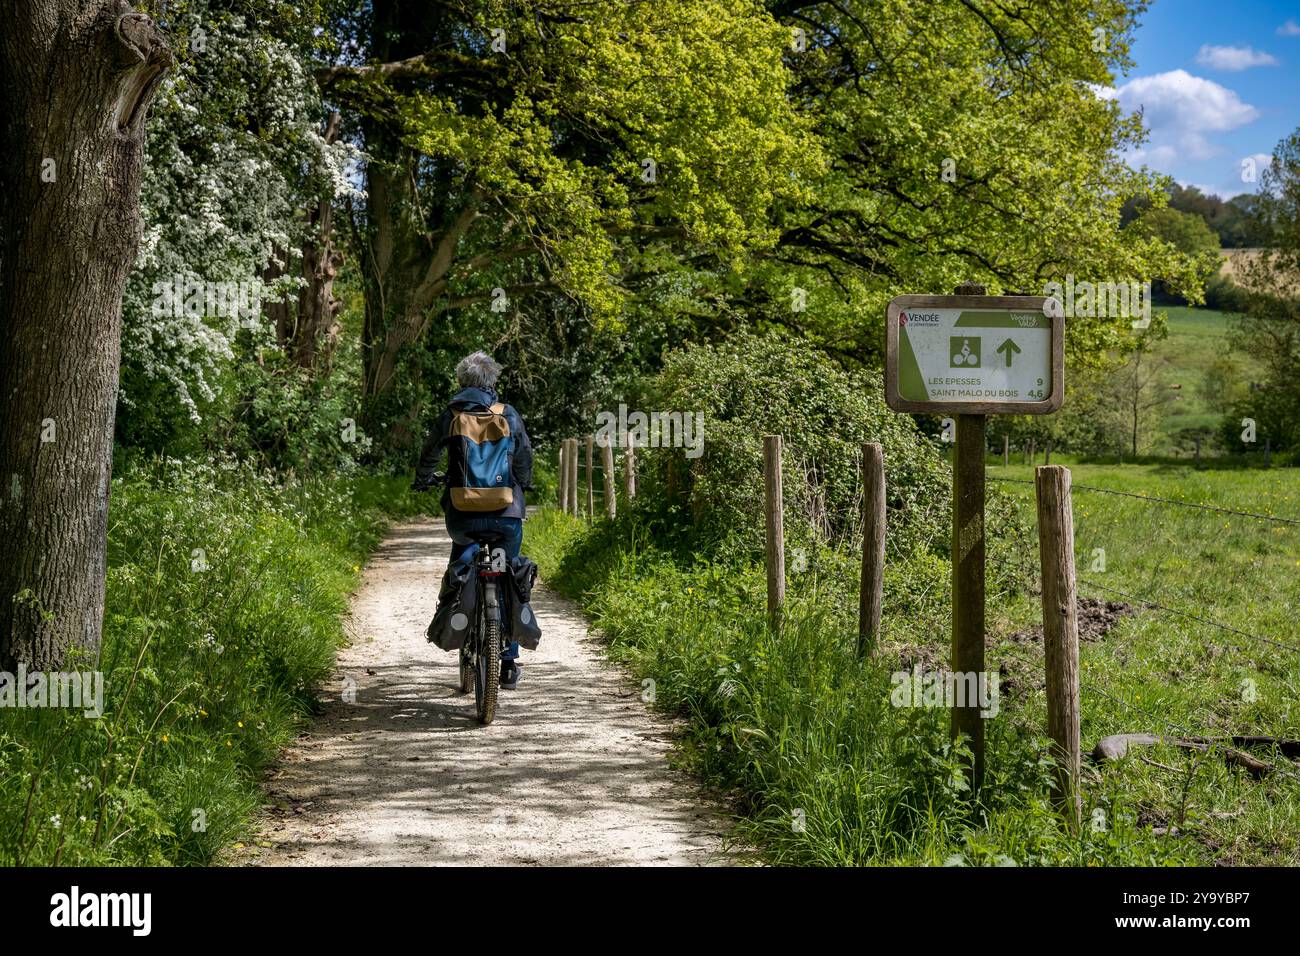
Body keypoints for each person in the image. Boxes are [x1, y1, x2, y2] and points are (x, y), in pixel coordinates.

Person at [413, 351, 534, 689]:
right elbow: (524, 454)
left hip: (463, 515)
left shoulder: (451, 414)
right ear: (491, 381)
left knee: (462, 561)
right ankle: (508, 662)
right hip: (506, 515)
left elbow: (430, 452)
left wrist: (423, 478)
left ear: (461, 382)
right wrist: (522, 483)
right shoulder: (507, 413)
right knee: (509, 573)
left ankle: (452, 617)